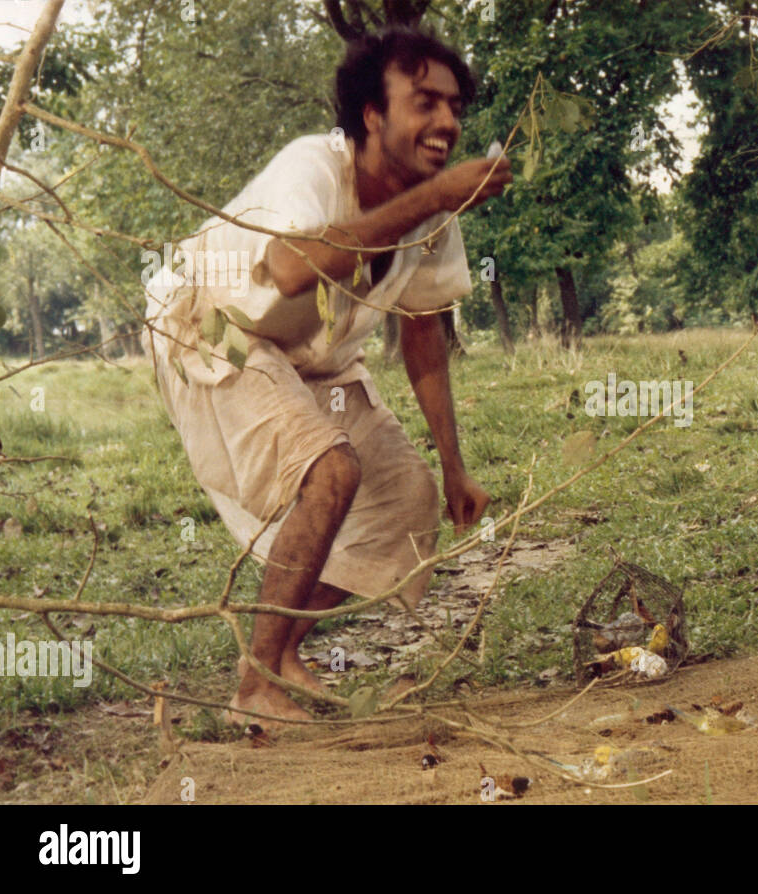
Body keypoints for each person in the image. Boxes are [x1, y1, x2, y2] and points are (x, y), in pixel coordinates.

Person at [142, 27, 512, 726]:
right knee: (330, 469)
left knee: (405, 499)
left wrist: (457, 468)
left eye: (455, 106)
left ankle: (277, 652)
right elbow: (288, 267)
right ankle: (254, 685)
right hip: (215, 326)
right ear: (372, 114)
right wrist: (430, 200)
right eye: (425, 102)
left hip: (309, 356)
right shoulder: (312, 164)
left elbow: (424, 333)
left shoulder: (434, 208)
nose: (448, 123)